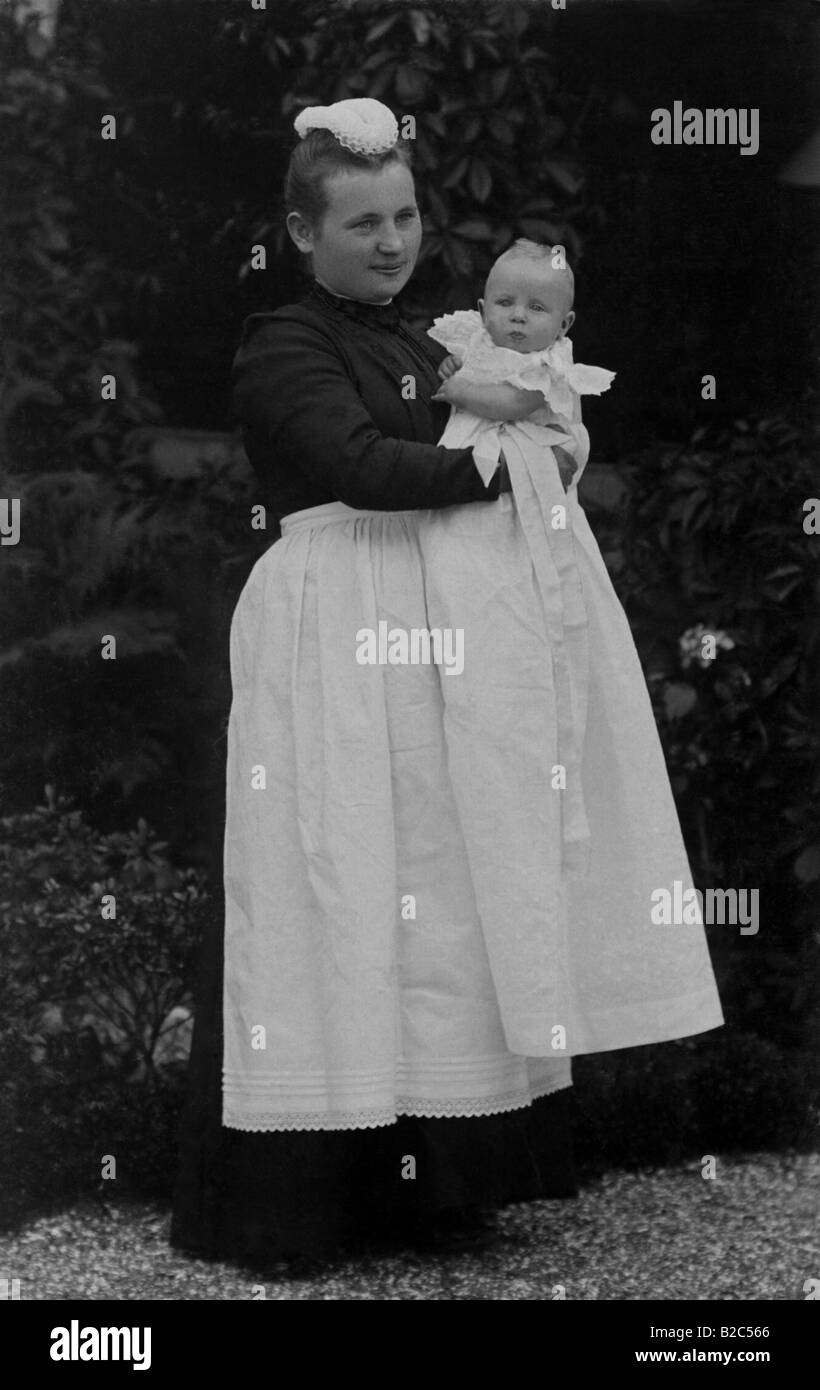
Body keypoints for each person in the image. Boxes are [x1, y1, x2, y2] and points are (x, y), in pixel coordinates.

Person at [170, 98, 723, 1266]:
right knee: (329, 874)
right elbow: (358, 469)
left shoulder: (437, 343)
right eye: (359, 221)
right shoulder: (286, 341)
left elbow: (532, 421)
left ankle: (424, 1183)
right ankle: (296, 1195)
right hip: (329, 623)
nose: (388, 241)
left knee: (430, 889)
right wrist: (504, 466)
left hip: (422, 637)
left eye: (404, 216)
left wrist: (553, 441)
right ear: (300, 228)